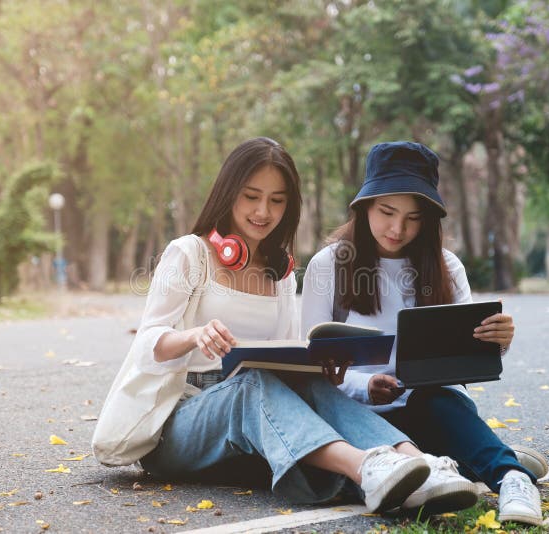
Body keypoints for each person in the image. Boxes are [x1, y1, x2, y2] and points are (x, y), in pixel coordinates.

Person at [92, 137, 468, 513]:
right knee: (249, 384)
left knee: (309, 382)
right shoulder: (189, 253)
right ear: (228, 194)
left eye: (276, 200)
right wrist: (193, 335)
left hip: (256, 418)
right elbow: (148, 344)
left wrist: (321, 368)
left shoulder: (281, 272)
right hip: (179, 425)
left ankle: (418, 463)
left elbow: (285, 359)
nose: (263, 211)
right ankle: (366, 467)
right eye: (251, 196)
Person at [301, 141, 546, 525]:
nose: (397, 229)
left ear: (428, 219)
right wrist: (366, 386)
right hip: (355, 416)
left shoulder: (446, 267)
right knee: (346, 472)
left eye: (413, 218)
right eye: (386, 212)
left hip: (428, 408)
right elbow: (312, 364)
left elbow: (464, 360)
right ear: (363, 205)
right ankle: (475, 457)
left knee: (443, 402)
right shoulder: (328, 265)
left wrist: (497, 343)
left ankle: (512, 477)